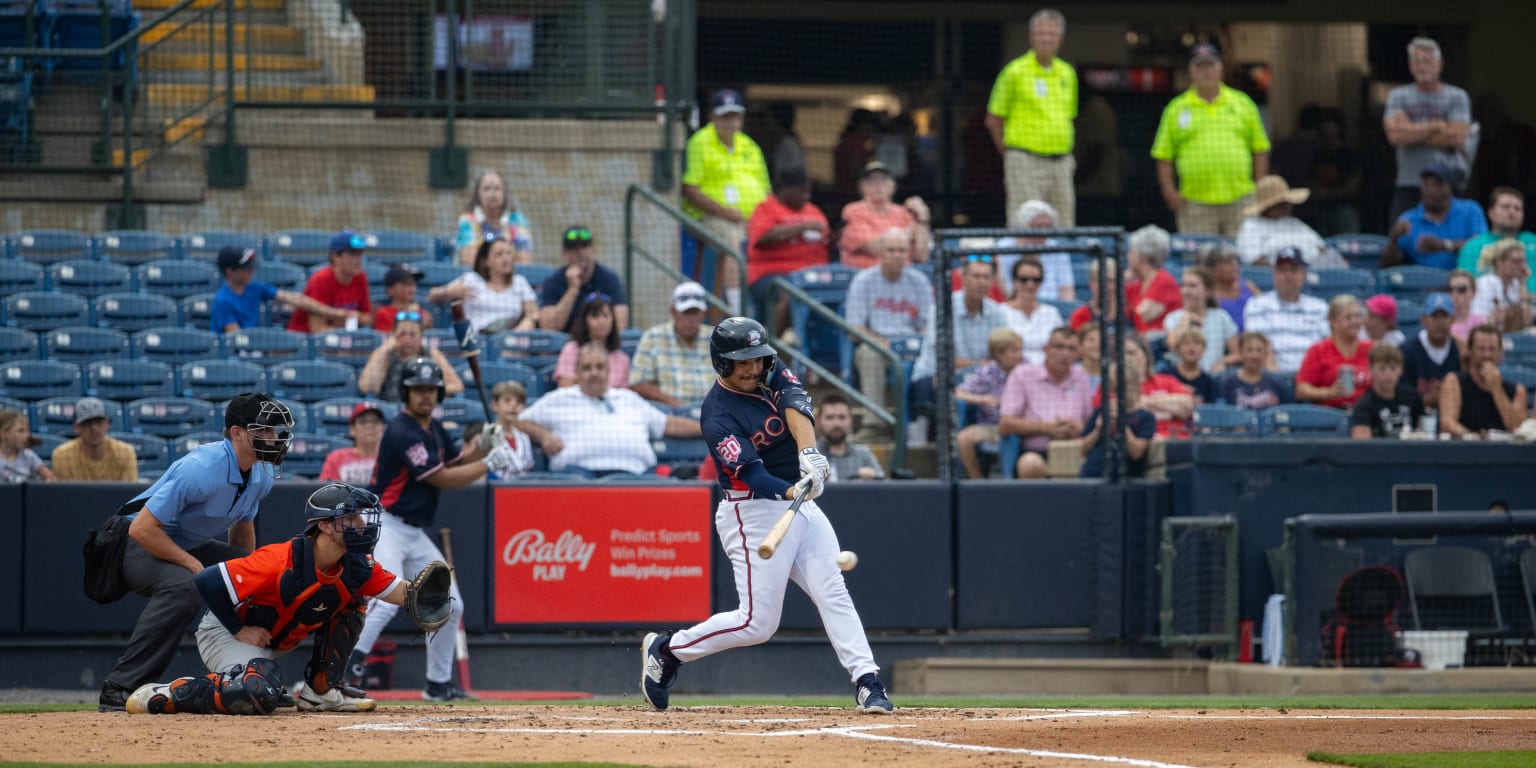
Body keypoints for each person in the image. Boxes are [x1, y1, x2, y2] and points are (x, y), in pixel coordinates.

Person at [640, 317, 893, 715]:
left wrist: (808, 455)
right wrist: (793, 488)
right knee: (757, 623)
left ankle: (867, 682)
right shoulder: (716, 415)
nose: (753, 368)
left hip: (800, 505)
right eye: (742, 362)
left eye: (757, 359)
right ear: (721, 363)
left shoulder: (770, 370)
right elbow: (754, 474)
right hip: (750, 510)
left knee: (833, 591)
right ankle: (668, 650)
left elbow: (795, 407)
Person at [125, 484, 411, 715]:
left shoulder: (356, 565)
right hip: (227, 633)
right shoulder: (278, 560)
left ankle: (322, 692)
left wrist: (431, 597)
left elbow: (402, 594)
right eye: (351, 517)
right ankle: (170, 693)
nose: (361, 524)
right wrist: (239, 629)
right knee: (255, 692)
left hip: (271, 637)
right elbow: (207, 580)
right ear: (324, 526)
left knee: (353, 597)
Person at [96, 393, 295, 712]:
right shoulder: (200, 467)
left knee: (265, 577)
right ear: (238, 433)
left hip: (185, 541)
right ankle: (121, 686)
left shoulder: (262, 474)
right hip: (132, 542)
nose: (274, 438)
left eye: (276, 431)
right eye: (264, 430)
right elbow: (142, 529)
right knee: (186, 585)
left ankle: (249, 675)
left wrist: (245, 579)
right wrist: (193, 565)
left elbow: (243, 526)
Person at [348, 357, 516, 701]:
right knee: (386, 599)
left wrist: (484, 443)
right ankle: (345, 668)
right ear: (406, 393)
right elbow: (441, 478)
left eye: (431, 389)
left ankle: (437, 685)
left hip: (412, 531)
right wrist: (487, 462)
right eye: (418, 389)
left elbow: (455, 462)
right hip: (386, 523)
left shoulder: (432, 429)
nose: (425, 395)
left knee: (450, 604)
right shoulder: (402, 430)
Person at [517, 343, 701, 477]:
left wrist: (710, 429)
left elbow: (668, 424)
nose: (594, 372)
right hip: (578, 475)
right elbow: (518, 422)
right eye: (587, 368)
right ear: (578, 372)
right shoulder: (559, 398)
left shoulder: (628, 398)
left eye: (599, 367)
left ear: (608, 371)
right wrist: (543, 435)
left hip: (634, 475)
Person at [1151, 44, 1271, 238]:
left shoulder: (1242, 103)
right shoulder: (1176, 109)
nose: (1206, 71)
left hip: (1241, 200)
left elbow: (1260, 149)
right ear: (1191, 71)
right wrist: (1169, 192)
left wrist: (1260, 188)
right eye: (1200, 67)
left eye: (1211, 65)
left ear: (1220, 69)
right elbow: (1163, 155)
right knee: (1199, 261)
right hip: (1194, 202)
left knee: (1243, 256)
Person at [984, 8, 1077, 226]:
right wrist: (1012, 155)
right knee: (1025, 221)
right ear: (1031, 37)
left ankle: (1061, 260)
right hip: (1024, 158)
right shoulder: (1014, 71)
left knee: (1064, 223)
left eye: (1051, 34)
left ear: (1060, 39)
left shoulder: (1067, 73)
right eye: (1041, 33)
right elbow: (993, 120)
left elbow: (1070, 118)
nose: (1046, 38)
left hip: (1062, 161)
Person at [681, 88, 771, 313]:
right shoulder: (699, 143)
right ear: (712, 116)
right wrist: (724, 212)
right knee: (732, 243)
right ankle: (739, 310)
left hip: (750, 219)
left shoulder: (749, 145)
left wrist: (767, 218)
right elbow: (690, 189)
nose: (730, 122)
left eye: (735, 115)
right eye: (724, 116)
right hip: (709, 218)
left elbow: (767, 191)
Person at [844, 229, 932, 440]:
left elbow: (927, 325)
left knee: (934, 350)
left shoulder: (919, 281)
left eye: (902, 250)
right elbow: (855, 329)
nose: (897, 255)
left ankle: (926, 422)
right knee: (868, 353)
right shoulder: (863, 280)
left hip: (913, 345)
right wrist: (880, 342)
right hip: (878, 344)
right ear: (881, 253)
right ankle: (874, 425)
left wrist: (918, 341)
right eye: (891, 250)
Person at [910, 253, 1008, 443]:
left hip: (981, 377)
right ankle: (922, 438)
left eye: (987, 277)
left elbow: (1002, 356)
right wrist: (978, 364)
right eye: (976, 276)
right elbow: (943, 359)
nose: (982, 282)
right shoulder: (943, 307)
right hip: (938, 375)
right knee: (932, 383)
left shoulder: (997, 312)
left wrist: (976, 367)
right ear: (963, 278)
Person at [1383, 37, 1471, 223]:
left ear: (1440, 64)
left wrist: (1410, 130)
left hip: (1447, 184)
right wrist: (1435, 126)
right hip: (1408, 184)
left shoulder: (1457, 96)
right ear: (1409, 65)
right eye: (1417, 62)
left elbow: (1456, 137)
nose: (1422, 67)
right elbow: (1394, 136)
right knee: (1400, 242)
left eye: (1427, 61)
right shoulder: (1398, 96)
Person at [998, 326, 1094, 479]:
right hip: (1037, 451)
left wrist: (1074, 427)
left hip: (1074, 450)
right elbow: (1005, 424)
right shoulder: (1023, 374)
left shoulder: (1080, 375)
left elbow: (1090, 423)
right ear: (1046, 349)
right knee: (1029, 463)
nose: (1065, 354)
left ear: (1078, 354)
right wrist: (1047, 428)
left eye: (1071, 349)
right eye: (1059, 347)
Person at [745, 167, 830, 332]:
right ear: (786, 190)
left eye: (808, 192)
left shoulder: (813, 210)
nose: (807, 196)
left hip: (814, 273)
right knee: (789, 292)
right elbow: (762, 238)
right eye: (802, 192)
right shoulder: (766, 208)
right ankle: (772, 347)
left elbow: (827, 239)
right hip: (771, 273)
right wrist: (801, 227)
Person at [210, 246, 356, 334]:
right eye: (245, 268)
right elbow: (236, 338)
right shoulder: (223, 300)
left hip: (252, 349)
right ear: (230, 272)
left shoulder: (253, 288)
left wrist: (335, 312)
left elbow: (294, 299)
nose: (250, 271)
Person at [1382, 163, 1487, 270]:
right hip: (1422, 282)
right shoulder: (1408, 219)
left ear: (1450, 187)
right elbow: (1388, 266)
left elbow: (1483, 247)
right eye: (1426, 184)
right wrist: (1394, 239)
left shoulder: (1470, 210)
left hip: (1463, 278)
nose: (1430, 190)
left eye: (1437, 184)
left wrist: (1443, 245)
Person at [629, 282, 716, 409]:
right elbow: (637, 384)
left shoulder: (716, 337)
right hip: (671, 413)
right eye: (686, 312)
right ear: (673, 312)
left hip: (714, 413)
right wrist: (674, 404)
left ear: (704, 313)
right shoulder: (653, 337)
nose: (691, 318)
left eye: (695, 312)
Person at [1243, 246, 1330, 371]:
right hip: (1273, 378)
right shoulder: (1258, 305)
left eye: (1293, 270)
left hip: (1313, 379)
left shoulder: (1319, 307)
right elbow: (1259, 348)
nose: (1288, 276)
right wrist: (1278, 381)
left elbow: (1327, 347)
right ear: (1274, 274)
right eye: (1282, 271)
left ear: (1303, 275)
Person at [430, 235, 538, 334]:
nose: (506, 258)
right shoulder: (472, 279)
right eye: (499, 254)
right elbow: (432, 295)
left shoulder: (519, 282)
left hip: (508, 342)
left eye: (509, 253)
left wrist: (524, 326)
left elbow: (533, 314)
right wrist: (448, 292)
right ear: (486, 261)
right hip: (475, 340)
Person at [956, 327, 1026, 479]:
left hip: (1021, 425)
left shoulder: (1028, 368)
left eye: (1020, 350)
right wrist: (982, 399)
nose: (1020, 355)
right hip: (992, 426)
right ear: (999, 354)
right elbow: (957, 392)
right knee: (963, 438)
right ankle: (977, 482)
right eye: (1014, 351)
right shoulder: (987, 372)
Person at [1439, 324, 1529, 438]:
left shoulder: (1517, 391)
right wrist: (1472, 437)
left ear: (1501, 353)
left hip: (1504, 451)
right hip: (1465, 449)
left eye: (1492, 349)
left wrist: (1497, 389)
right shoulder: (1453, 381)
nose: (1487, 355)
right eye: (1481, 349)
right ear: (1470, 351)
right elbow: (1447, 423)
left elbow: (1519, 430)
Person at [838, 161, 931, 269]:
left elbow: (922, 256)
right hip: (865, 275)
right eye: (872, 180)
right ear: (862, 186)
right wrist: (909, 232)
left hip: (902, 276)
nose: (878, 184)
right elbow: (872, 248)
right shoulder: (853, 211)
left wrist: (923, 218)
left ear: (893, 186)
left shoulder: (903, 213)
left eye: (884, 180)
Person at [538, 226, 630, 334]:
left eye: (584, 247)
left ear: (593, 250)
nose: (580, 253)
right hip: (564, 345)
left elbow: (620, 324)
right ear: (564, 254)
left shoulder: (610, 279)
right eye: (573, 249)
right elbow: (548, 327)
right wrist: (572, 289)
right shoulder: (552, 281)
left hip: (600, 343)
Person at [358, 313, 465, 403]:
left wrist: (429, 389)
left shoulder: (432, 355)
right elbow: (366, 386)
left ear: (421, 335)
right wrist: (384, 350)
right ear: (394, 334)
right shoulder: (384, 354)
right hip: (391, 415)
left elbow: (457, 386)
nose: (407, 339)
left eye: (412, 334)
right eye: (402, 334)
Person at [1235, 175, 1339, 267]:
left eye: (1287, 202)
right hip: (1276, 278)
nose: (1287, 206)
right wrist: (1286, 272)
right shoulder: (1251, 226)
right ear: (1267, 207)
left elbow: (1322, 248)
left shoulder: (1294, 222)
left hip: (1311, 273)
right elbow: (1254, 261)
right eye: (1281, 203)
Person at [1079, 363, 1156, 479]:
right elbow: (1083, 450)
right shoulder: (1100, 411)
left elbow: (1136, 453)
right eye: (1113, 389)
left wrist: (1121, 424)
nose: (1117, 394)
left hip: (1126, 479)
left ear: (1135, 386)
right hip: (1092, 475)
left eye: (1122, 388)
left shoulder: (1146, 417)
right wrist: (1098, 429)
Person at [287, 230, 373, 333]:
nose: (358, 260)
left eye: (360, 255)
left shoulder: (360, 277)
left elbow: (368, 318)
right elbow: (317, 329)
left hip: (339, 339)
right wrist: (343, 322)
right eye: (352, 254)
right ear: (336, 257)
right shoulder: (321, 279)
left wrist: (356, 317)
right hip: (305, 340)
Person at [1296, 295, 1373, 410]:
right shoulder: (1318, 350)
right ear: (1333, 322)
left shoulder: (1372, 349)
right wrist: (1329, 392)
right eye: (1348, 317)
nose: (1354, 321)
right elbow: (1301, 390)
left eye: (1357, 316)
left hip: (1366, 412)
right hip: (1331, 413)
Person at [1161, 265, 1239, 372]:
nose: (1186, 291)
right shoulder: (1173, 318)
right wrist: (1185, 322)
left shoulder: (1221, 316)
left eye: (1192, 286)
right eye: (1183, 286)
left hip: (1212, 377)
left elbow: (1237, 353)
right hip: (1182, 378)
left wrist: (1223, 362)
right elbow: (1173, 346)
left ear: (1207, 291)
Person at [996, 200, 1075, 302]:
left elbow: (1067, 290)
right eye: (1038, 226)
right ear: (1024, 226)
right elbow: (1001, 286)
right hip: (1013, 305)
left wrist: (1066, 310)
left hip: (1053, 308)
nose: (1043, 231)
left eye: (1048, 227)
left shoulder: (1058, 249)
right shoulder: (1004, 247)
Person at [454, 169, 533, 266]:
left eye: (497, 188)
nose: (492, 194)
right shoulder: (467, 220)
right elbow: (469, 260)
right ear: (478, 193)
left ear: (504, 193)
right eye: (487, 189)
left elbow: (524, 261)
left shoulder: (517, 220)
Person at [1458, 188, 1536, 283]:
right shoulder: (1473, 246)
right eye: (1505, 207)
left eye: (1517, 208)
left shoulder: (1533, 241)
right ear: (1491, 213)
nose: (1512, 212)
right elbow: (1465, 284)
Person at [1398, 292, 1461, 410]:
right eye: (1434, 316)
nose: (1439, 322)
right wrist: (1425, 401)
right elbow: (1401, 397)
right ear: (1423, 319)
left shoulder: (1460, 350)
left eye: (1444, 316)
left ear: (1453, 319)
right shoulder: (1407, 351)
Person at [50, 396, 137, 482]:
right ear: (76, 427)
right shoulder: (62, 455)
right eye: (87, 423)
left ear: (107, 424)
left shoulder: (125, 453)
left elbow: (130, 494)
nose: (94, 428)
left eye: (98, 422)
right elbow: (64, 494)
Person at [554, 295, 630, 389]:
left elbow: (623, 396)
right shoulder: (571, 350)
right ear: (585, 320)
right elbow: (566, 387)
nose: (601, 321)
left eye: (606, 316)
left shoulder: (622, 358)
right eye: (595, 316)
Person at [1350, 344, 1425, 439]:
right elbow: (1362, 445)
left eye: (1393, 368)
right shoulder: (1364, 405)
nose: (1388, 374)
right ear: (1371, 369)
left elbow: (1424, 431)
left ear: (1401, 369)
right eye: (1382, 369)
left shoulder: (1413, 397)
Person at [1001, 254, 1064, 364]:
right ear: (1014, 282)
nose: (1030, 285)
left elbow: (1061, 347)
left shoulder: (1051, 313)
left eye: (1036, 280)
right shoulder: (1000, 312)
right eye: (1024, 279)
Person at [1124, 224, 1181, 334]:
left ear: (1145, 256)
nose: (1128, 256)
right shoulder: (1137, 284)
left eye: (1132, 252)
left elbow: (1142, 316)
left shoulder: (1164, 280)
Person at [816, 394, 884, 481]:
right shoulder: (807, 456)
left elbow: (884, 488)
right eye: (830, 417)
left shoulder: (864, 455)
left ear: (851, 420)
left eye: (842, 417)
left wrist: (873, 478)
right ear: (818, 420)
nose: (836, 424)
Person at [1217, 332, 1291, 410]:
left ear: (1265, 353)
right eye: (1249, 350)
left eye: (1259, 350)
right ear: (1241, 353)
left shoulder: (1276, 383)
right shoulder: (1227, 383)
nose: (1254, 355)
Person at [1471, 239, 1532, 332]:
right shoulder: (1486, 283)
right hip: (1487, 333)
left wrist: (1523, 284)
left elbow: (1526, 320)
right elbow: (1480, 320)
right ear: (1499, 262)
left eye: (1523, 261)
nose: (1522, 266)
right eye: (1516, 261)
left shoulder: (1515, 284)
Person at [319, 402, 386, 486]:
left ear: (383, 428)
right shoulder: (336, 459)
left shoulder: (392, 459)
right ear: (352, 429)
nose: (370, 425)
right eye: (363, 421)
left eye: (375, 421)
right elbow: (326, 493)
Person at [1202, 241, 1262, 332]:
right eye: (1228, 262)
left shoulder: (1249, 287)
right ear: (1212, 269)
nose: (1234, 265)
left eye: (1235, 260)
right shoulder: (1208, 296)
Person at [486, 380, 535, 482]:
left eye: (519, 402)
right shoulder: (487, 435)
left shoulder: (524, 438)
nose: (513, 405)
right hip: (495, 492)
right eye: (507, 400)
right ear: (495, 405)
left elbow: (528, 469)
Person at [371, 264, 434, 334]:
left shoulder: (422, 313)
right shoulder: (383, 313)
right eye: (405, 283)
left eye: (413, 283)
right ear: (390, 290)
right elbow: (386, 341)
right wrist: (408, 316)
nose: (411, 286)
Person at [1160, 328, 1216, 404]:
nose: (1192, 348)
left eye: (1196, 343)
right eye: (1186, 343)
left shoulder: (1208, 381)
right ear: (1178, 349)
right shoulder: (1165, 375)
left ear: (1203, 349)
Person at [0, 408, 54, 483]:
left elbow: (51, 478)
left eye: (27, 431)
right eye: (21, 431)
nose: (27, 435)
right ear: (3, 433)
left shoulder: (29, 456)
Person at [1446, 269, 1487, 342]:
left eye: (1462, 290)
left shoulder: (1481, 322)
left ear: (1473, 293)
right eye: (1450, 290)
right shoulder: (1442, 321)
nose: (1455, 294)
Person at [1075, 322, 1103, 387]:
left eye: (1102, 340)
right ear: (1080, 345)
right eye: (1091, 340)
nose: (1097, 345)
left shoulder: (1113, 374)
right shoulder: (1069, 372)